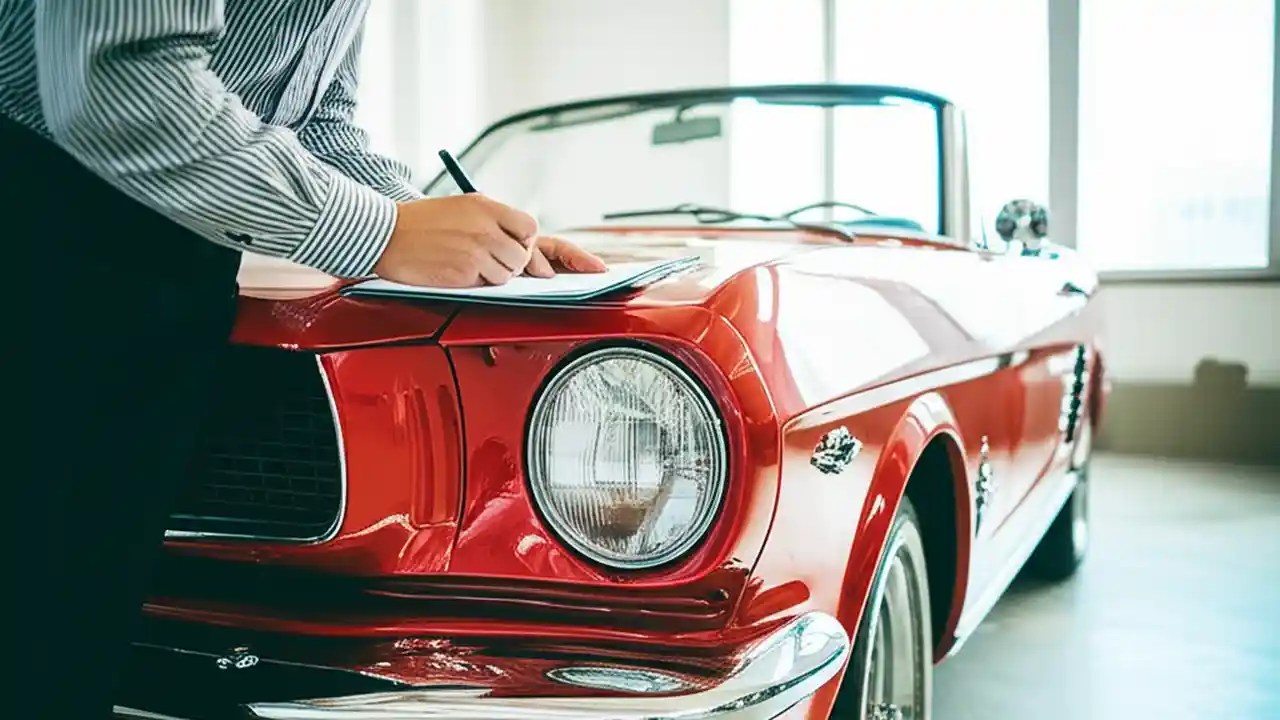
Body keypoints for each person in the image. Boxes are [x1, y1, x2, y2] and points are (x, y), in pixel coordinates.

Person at [1, 2, 604, 717]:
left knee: (72, 634)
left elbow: (313, 116)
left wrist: (470, 246)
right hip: (35, 221)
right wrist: (383, 234)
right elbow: (119, 81)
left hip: (172, 259)